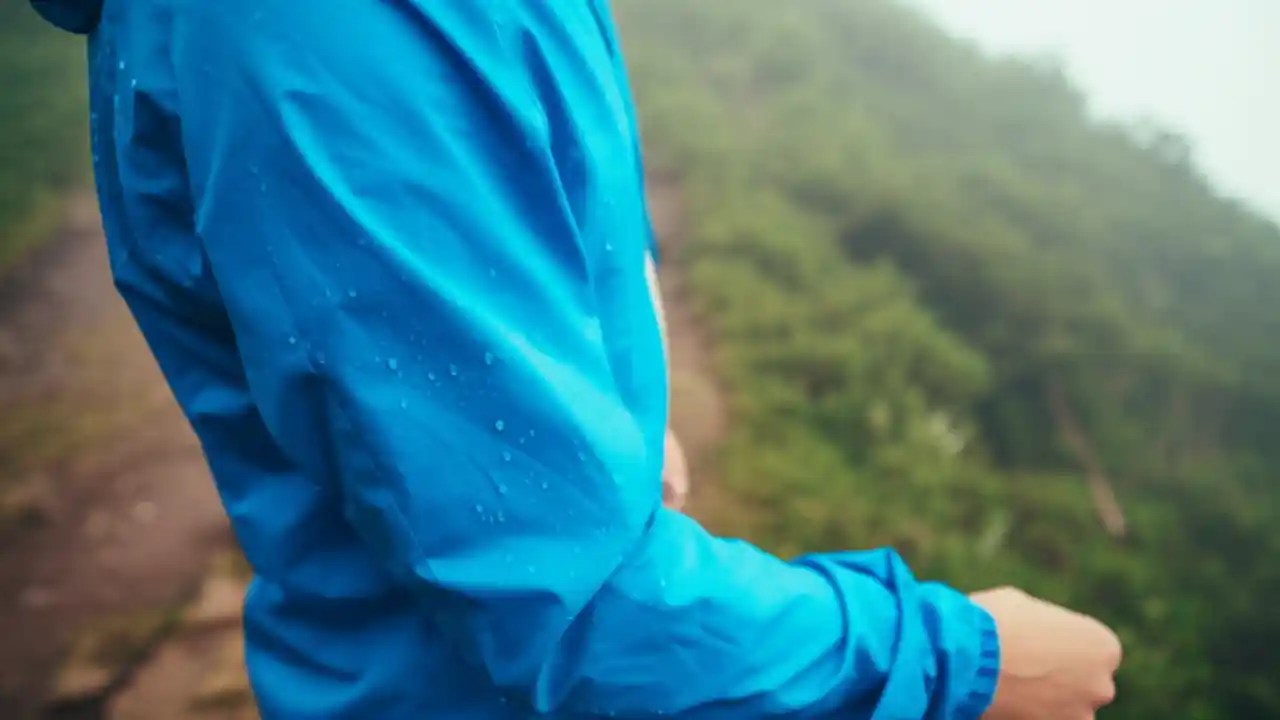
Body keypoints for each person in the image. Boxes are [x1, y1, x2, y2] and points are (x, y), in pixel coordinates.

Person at [31, 1, 1121, 718]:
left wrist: (602, 372)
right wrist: (965, 664)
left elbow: (534, 177)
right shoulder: (332, 26)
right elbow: (566, 607)